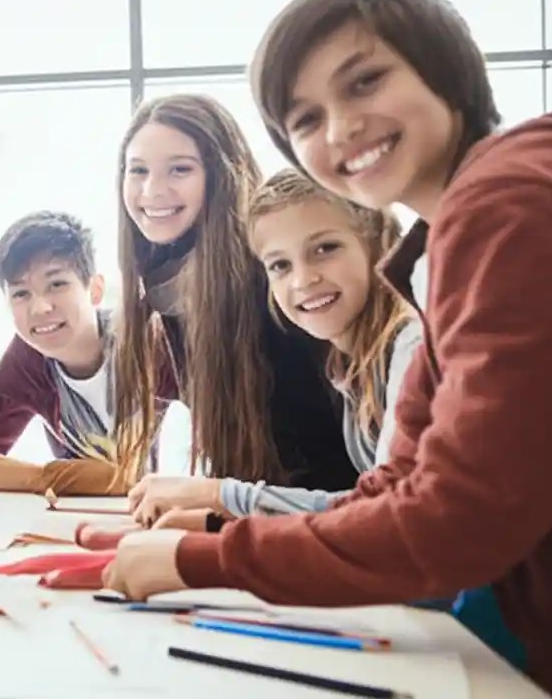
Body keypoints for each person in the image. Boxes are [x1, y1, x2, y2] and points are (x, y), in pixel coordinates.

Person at [103, 0, 552, 695]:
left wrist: (205, 558)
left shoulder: (512, 203)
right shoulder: (442, 248)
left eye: (365, 82)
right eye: (305, 119)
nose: (339, 131)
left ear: (446, 69)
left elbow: (454, 520)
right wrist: (212, 531)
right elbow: (395, 486)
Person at [128, 168, 418, 526]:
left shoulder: (411, 347)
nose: (303, 279)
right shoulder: (350, 367)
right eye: (280, 265)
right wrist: (215, 522)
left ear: (375, 244)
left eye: (325, 248)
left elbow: (388, 514)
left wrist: (219, 496)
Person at [111, 93, 354, 501]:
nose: (152, 190)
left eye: (180, 169)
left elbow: (325, 465)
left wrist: (214, 505)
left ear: (221, 175)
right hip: (273, 521)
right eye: (138, 170)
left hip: (329, 525)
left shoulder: (272, 283)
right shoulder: (168, 283)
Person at [0, 210, 176, 495]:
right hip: (72, 519)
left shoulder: (145, 338)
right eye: (21, 294)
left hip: (154, 517)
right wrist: (51, 478)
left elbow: (227, 432)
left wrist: (48, 477)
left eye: (56, 285)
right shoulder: (28, 360)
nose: (40, 308)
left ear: (94, 289)